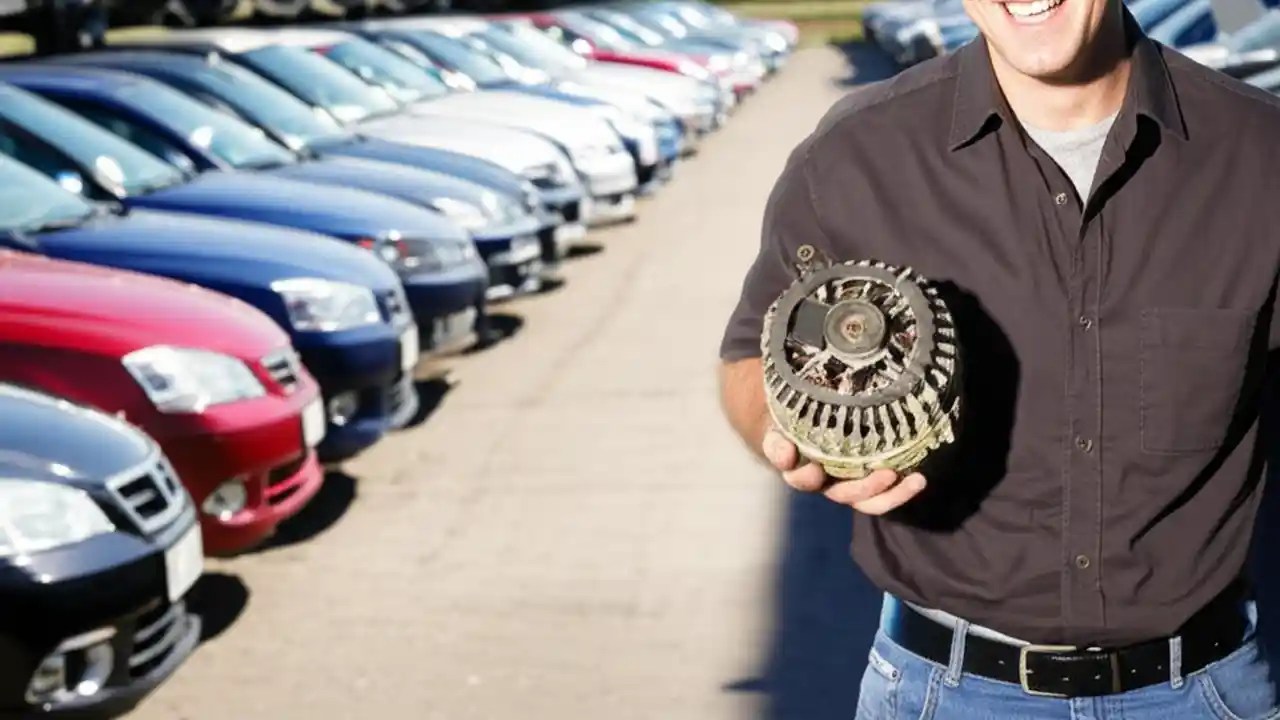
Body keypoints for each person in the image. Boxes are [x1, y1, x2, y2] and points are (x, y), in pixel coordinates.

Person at [717, 0, 1280, 714]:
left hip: (1204, 691)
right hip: (943, 691)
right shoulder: (858, 157)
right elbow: (749, 356)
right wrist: (787, 432)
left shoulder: (1259, 153)